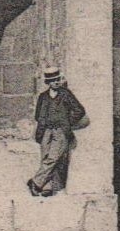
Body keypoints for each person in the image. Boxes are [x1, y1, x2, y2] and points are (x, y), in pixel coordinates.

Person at [28, 66, 87, 198]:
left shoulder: (66, 94)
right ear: (48, 82)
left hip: (60, 131)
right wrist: (42, 126)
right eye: (53, 80)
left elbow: (79, 110)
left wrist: (67, 122)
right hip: (45, 130)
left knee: (53, 158)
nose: (56, 82)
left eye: (57, 79)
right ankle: (47, 187)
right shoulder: (43, 97)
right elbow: (37, 115)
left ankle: (35, 182)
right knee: (45, 158)